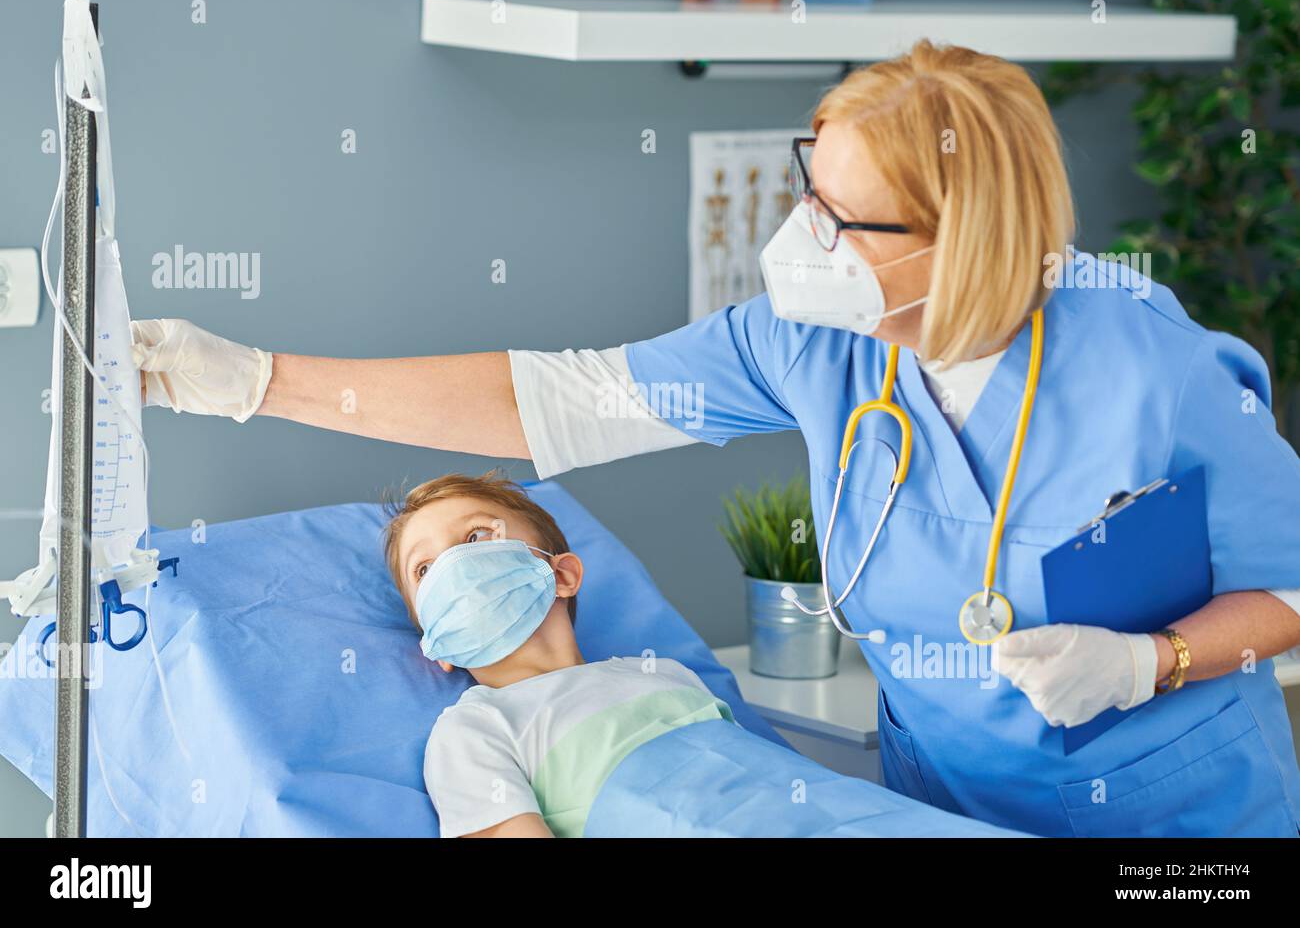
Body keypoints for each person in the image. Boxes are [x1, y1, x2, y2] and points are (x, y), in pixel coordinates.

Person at [130, 40, 1300, 837]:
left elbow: (1292, 583)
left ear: (961, 237)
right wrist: (258, 381)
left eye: (842, 218)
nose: (803, 235)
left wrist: (1156, 661)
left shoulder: (1156, 364)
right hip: (930, 801)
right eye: (810, 188)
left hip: (1165, 812)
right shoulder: (818, 342)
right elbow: (556, 400)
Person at [383, 471, 732, 838]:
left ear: (561, 575)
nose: (454, 564)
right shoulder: (474, 730)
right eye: (425, 569)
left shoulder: (666, 674)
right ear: (437, 644)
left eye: (476, 536)